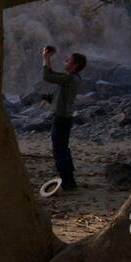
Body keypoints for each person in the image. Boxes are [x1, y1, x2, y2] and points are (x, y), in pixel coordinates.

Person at [42, 47, 87, 191]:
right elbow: (53, 75)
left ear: (75, 65)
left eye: (69, 60)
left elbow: (48, 76)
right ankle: (69, 179)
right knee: (63, 148)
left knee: (59, 149)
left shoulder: (69, 78)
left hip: (61, 118)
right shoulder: (73, 77)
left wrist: (46, 58)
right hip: (65, 117)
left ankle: (67, 180)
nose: (66, 61)